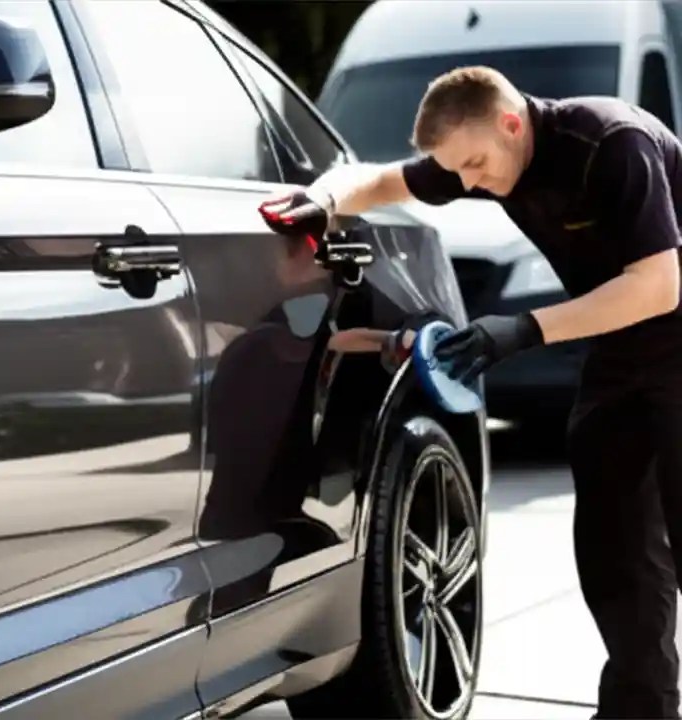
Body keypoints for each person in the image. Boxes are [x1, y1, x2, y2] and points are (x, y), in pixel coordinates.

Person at [260, 66, 682, 719]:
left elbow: (658, 286)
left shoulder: (611, 144)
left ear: (511, 122)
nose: (468, 184)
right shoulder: (482, 158)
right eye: (456, 172)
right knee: (616, 551)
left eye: (477, 165)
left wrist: (523, 328)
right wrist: (322, 200)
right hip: (624, 355)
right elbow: (379, 179)